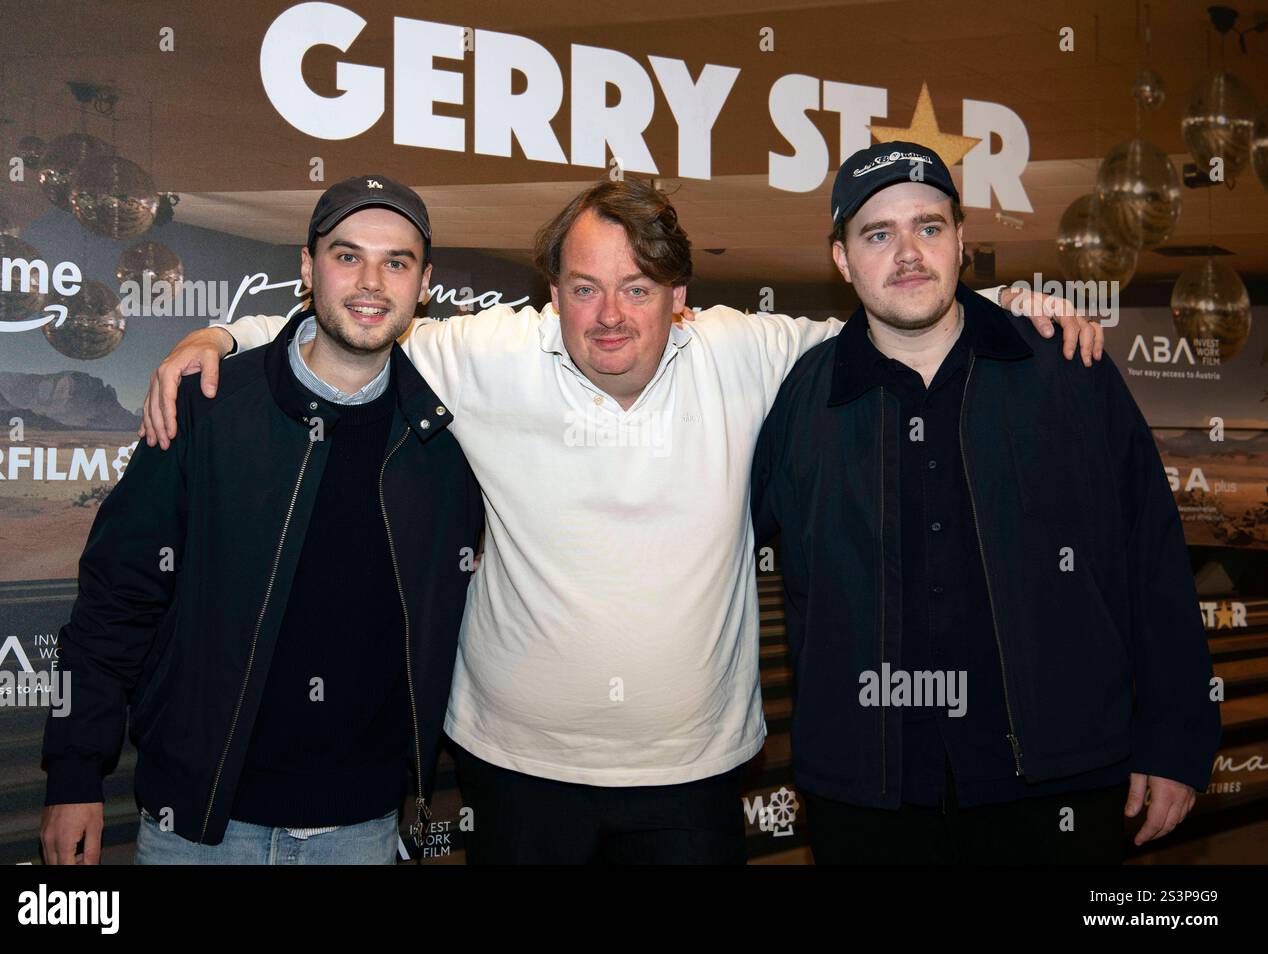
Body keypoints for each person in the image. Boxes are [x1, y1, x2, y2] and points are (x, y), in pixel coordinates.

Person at [139, 177, 1100, 864]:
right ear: (549, 295)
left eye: (638, 288)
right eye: (585, 288)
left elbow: (908, 314)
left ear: (680, 300)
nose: (609, 315)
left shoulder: (745, 352)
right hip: (515, 773)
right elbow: (356, 321)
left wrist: (1013, 306)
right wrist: (219, 335)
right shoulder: (492, 353)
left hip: (695, 778)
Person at [751, 142, 1221, 864]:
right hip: (868, 799)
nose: (908, 253)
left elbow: (1151, 559)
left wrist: (1176, 739)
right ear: (842, 258)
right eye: (878, 234)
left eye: (929, 228)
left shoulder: (1070, 372)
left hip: (1057, 786)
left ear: (961, 242)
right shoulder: (802, 402)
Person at [39, 176, 483, 864]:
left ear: (423, 282)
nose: (371, 281)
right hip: (201, 826)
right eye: (346, 256)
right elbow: (113, 600)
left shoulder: (444, 441)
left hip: (361, 826)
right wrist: (73, 776)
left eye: (396, 262)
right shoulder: (209, 408)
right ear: (308, 269)